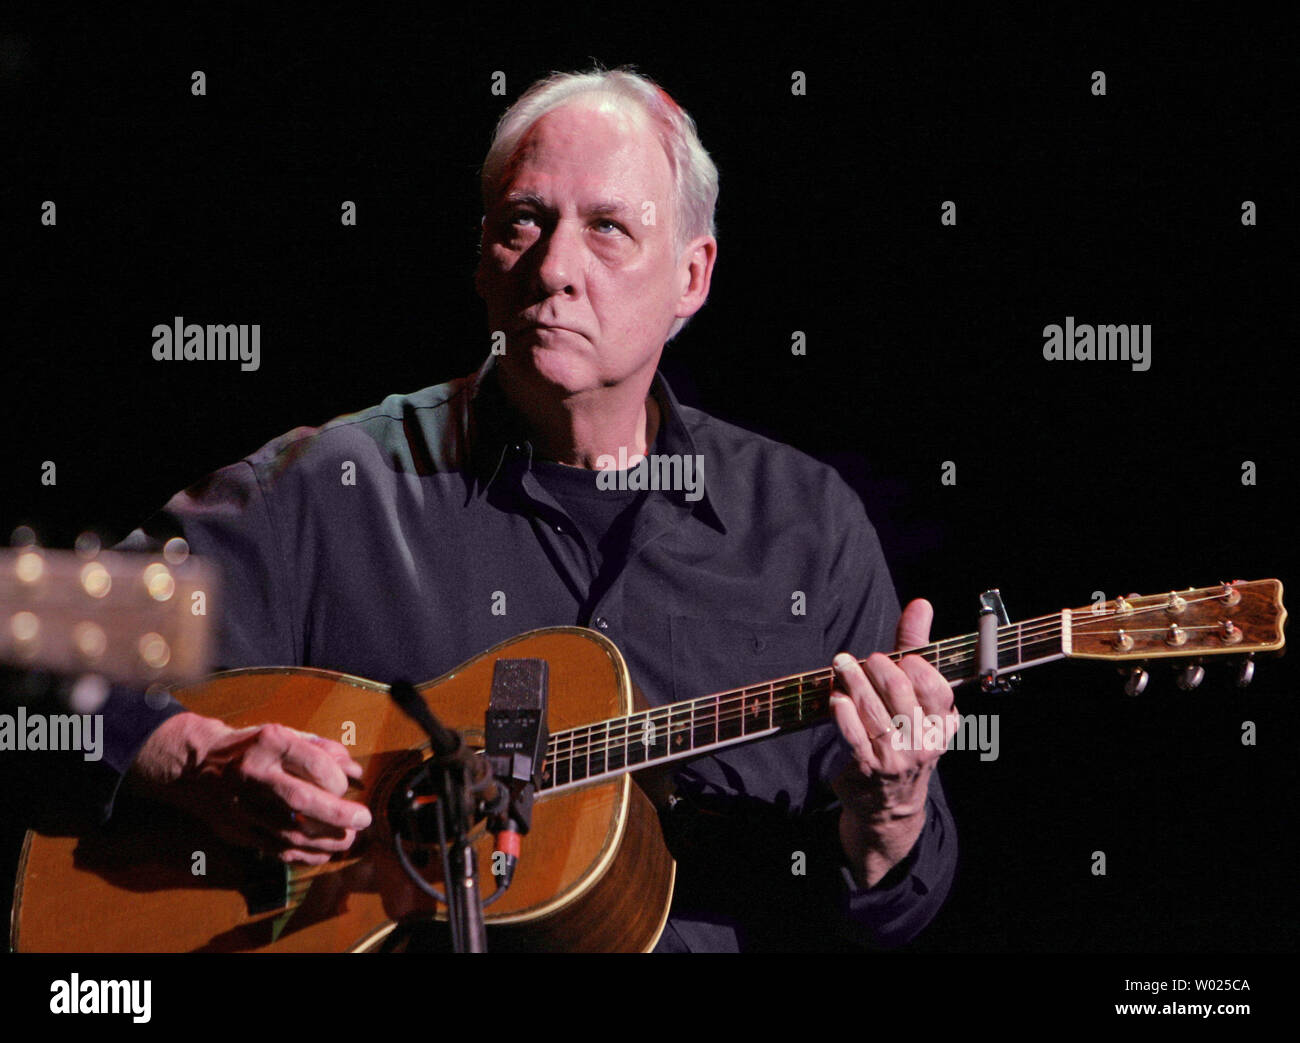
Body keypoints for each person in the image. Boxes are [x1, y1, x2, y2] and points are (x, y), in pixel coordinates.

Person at [92, 67, 959, 951]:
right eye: (523, 222)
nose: (554, 268)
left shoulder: (805, 528)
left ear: (691, 278)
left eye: (609, 228)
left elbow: (888, 905)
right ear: (481, 259)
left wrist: (888, 816)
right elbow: (44, 645)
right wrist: (199, 760)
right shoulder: (337, 485)